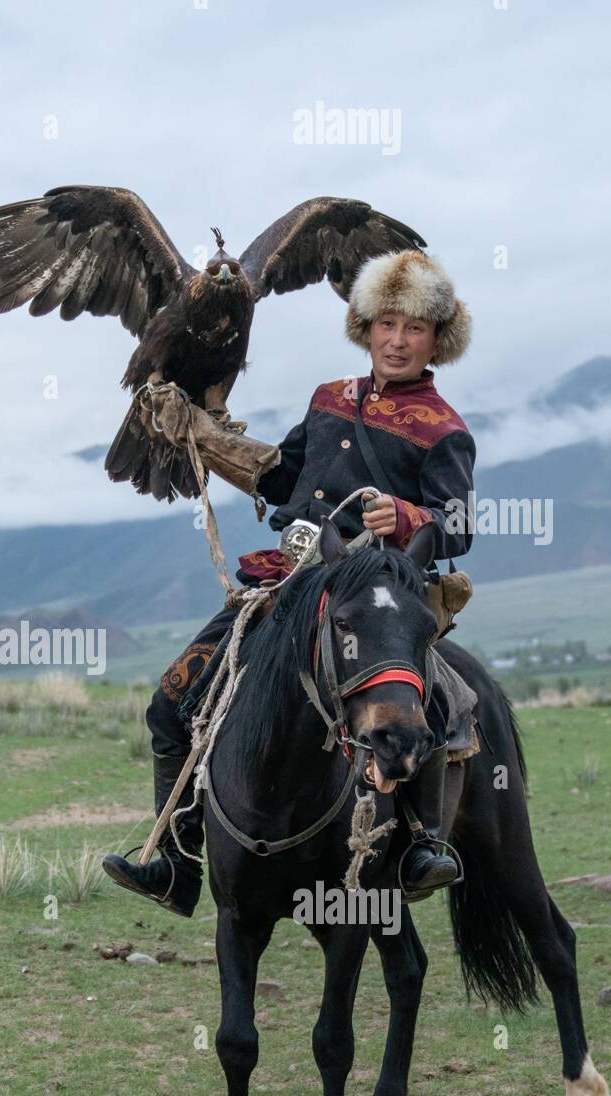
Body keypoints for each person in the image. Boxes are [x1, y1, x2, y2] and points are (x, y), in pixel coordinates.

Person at [103, 249, 475, 917]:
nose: (396, 340)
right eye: (385, 324)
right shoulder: (330, 399)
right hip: (291, 581)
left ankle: (424, 846)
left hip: (375, 596)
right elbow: (283, 479)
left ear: (436, 340)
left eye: (414, 329)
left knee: (437, 709)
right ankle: (177, 862)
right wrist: (204, 438)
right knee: (172, 700)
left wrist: (410, 515)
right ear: (365, 327)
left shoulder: (444, 430)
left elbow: (460, 524)